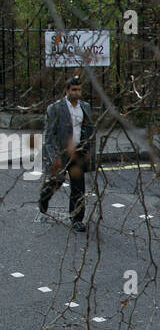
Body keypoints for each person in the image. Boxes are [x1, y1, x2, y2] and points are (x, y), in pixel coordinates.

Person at [37, 74, 96, 232]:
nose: (77, 92)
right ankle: (45, 196)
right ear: (67, 90)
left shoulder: (85, 107)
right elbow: (49, 136)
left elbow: (88, 129)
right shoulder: (55, 108)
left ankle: (77, 219)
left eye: (79, 89)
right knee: (58, 181)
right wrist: (53, 156)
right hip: (61, 152)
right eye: (74, 90)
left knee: (79, 188)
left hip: (78, 152)